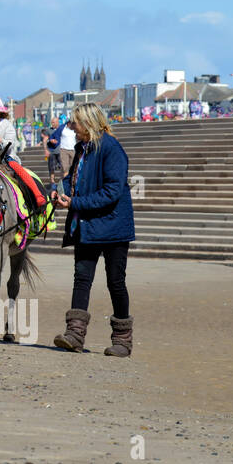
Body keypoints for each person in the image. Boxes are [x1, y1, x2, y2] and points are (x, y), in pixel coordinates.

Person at [52, 103, 135, 357]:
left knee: (115, 282)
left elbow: (112, 191)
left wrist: (75, 202)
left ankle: (122, 340)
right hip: (87, 226)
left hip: (113, 227)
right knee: (82, 279)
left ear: (87, 123)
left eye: (74, 123)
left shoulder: (111, 149)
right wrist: (59, 189)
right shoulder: (82, 149)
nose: (70, 127)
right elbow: (72, 179)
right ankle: (74, 335)